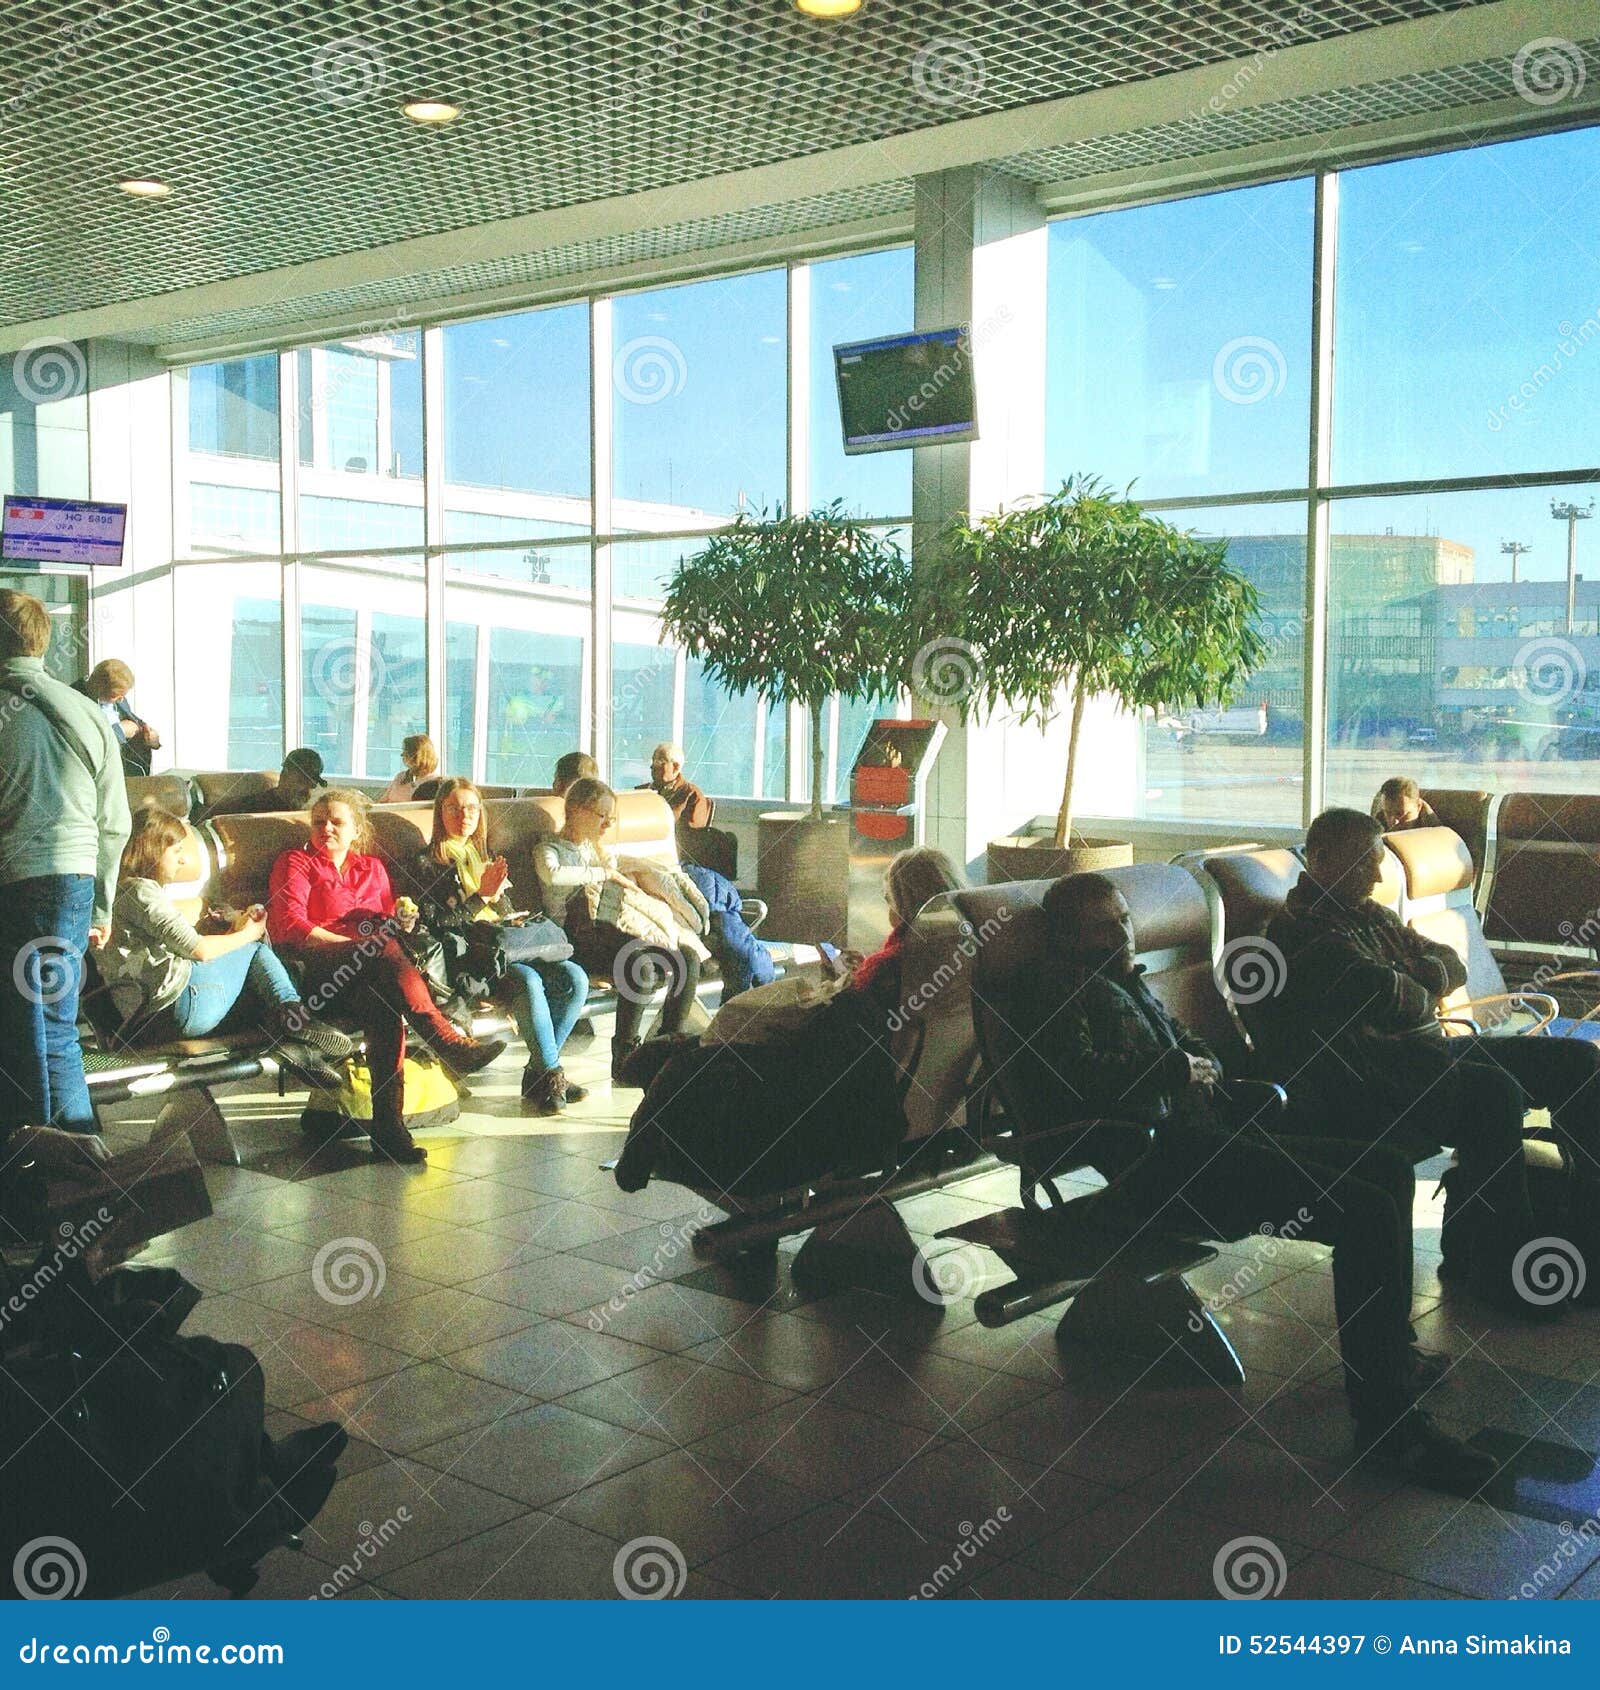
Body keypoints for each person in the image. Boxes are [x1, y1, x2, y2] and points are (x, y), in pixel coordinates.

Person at [1009, 871, 1495, 1493]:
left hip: (1211, 1142)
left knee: (1389, 1169)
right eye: (1104, 926)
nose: (1123, 933)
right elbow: (1075, 1078)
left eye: (1124, 919)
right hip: (1161, 1167)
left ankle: (1390, 1358)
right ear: (1066, 938)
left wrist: (1198, 1063)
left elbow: (1187, 1046)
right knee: (1366, 1210)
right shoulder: (1054, 992)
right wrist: (1173, 1069)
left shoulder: (1124, 982)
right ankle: (1389, 1428)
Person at [1259, 808, 1600, 1312]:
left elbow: (1450, 963)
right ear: (1321, 860)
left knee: (1579, 1062)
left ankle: (1586, 1235)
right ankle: (1506, 1270)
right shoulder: (1299, 932)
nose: (1377, 877)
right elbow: (1388, 992)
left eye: (1378, 862)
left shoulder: (1369, 915)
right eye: (1365, 863)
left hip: (1426, 1053)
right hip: (1376, 1079)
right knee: (1492, 1093)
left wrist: (1412, 978)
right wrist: (1415, 979)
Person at [268, 788, 506, 1164]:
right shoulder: (296, 862)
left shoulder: (372, 869)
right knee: (380, 951)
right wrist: (356, 945)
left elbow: (385, 924)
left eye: (336, 822)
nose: (326, 828)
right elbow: (291, 926)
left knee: (383, 1003)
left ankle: (389, 1130)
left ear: (356, 830)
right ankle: (446, 1041)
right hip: (318, 970)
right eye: (318, 822)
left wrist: (401, 924)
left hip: (369, 973)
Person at [0, 591, 131, 1136]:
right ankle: (77, 1154)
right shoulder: (87, 712)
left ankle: (32, 1157)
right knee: (56, 1025)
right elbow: (114, 823)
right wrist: (101, 906)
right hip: (72, 884)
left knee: (16, 1026)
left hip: (14, 884)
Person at [103, 807, 353, 1080]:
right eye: (176, 851)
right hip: (169, 1006)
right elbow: (199, 950)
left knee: (260, 988)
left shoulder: (124, 893)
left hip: (159, 1015)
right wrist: (249, 934)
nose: (184, 860)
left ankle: (295, 1047)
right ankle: (296, 1019)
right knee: (256, 952)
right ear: (151, 850)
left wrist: (233, 930)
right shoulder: (139, 891)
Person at [401, 777, 591, 1115]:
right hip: (469, 956)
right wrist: (481, 897)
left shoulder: (483, 857)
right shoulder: (426, 863)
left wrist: (507, 911)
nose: (464, 816)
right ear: (440, 813)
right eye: (454, 808)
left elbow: (503, 912)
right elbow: (435, 925)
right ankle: (550, 1075)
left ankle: (541, 1070)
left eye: (472, 808)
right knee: (528, 980)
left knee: (576, 978)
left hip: (504, 946)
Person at [533, 777, 702, 1083]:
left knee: (686, 958)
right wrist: (603, 873)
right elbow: (553, 875)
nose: (608, 824)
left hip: (608, 933)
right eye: (603, 816)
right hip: (574, 939)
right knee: (638, 963)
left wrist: (609, 862)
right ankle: (625, 1055)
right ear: (576, 810)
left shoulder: (595, 850)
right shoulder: (549, 848)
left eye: (611, 818)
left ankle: (667, 1044)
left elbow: (622, 876)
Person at [849, 847, 965, 1015]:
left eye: (889, 899)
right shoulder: (971, 948)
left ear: (902, 903)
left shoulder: (887, 968)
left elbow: (855, 1012)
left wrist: (846, 982)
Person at [75, 658, 161, 777]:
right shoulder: (75, 700)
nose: (121, 700)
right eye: (115, 695)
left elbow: (135, 721)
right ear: (99, 686)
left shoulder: (115, 698)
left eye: (123, 696)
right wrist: (120, 730)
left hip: (133, 773)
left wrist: (151, 738)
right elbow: (88, 742)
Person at [202, 748, 327, 818]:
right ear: (285, 774)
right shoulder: (255, 807)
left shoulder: (312, 816)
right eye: (301, 781)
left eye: (312, 785)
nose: (307, 789)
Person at [638, 741, 712, 830]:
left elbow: (693, 836)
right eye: (653, 761)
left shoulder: (692, 795)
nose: (652, 766)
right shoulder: (640, 792)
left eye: (659, 761)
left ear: (676, 767)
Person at [379, 734, 438, 805]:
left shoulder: (434, 783)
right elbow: (382, 802)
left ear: (417, 755)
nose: (402, 755)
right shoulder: (400, 776)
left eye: (406, 751)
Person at [1372, 777, 1438, 832]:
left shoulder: (1438, 839)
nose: (1394, 822)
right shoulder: (1375, 831)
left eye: (1400, 814)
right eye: (1388, 813)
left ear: (1418, 806)